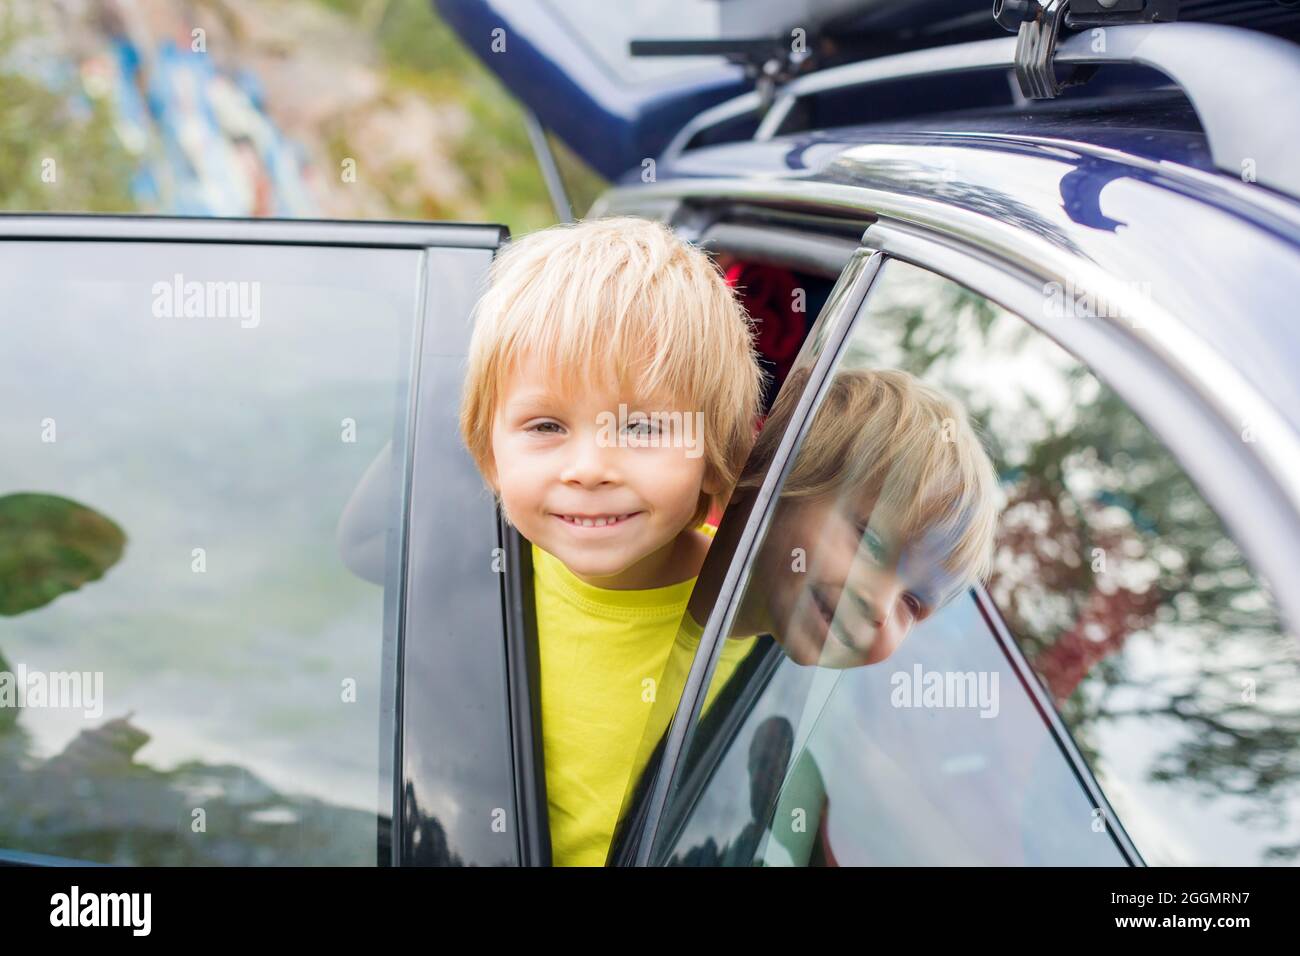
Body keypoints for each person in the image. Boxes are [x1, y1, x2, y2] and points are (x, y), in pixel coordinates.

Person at [457, 216, 768, 866]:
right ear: (490, 455)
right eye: (546, 425)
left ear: (715, 456)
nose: (590, 467)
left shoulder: (754, 621)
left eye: (642, 427)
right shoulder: (479, 570)